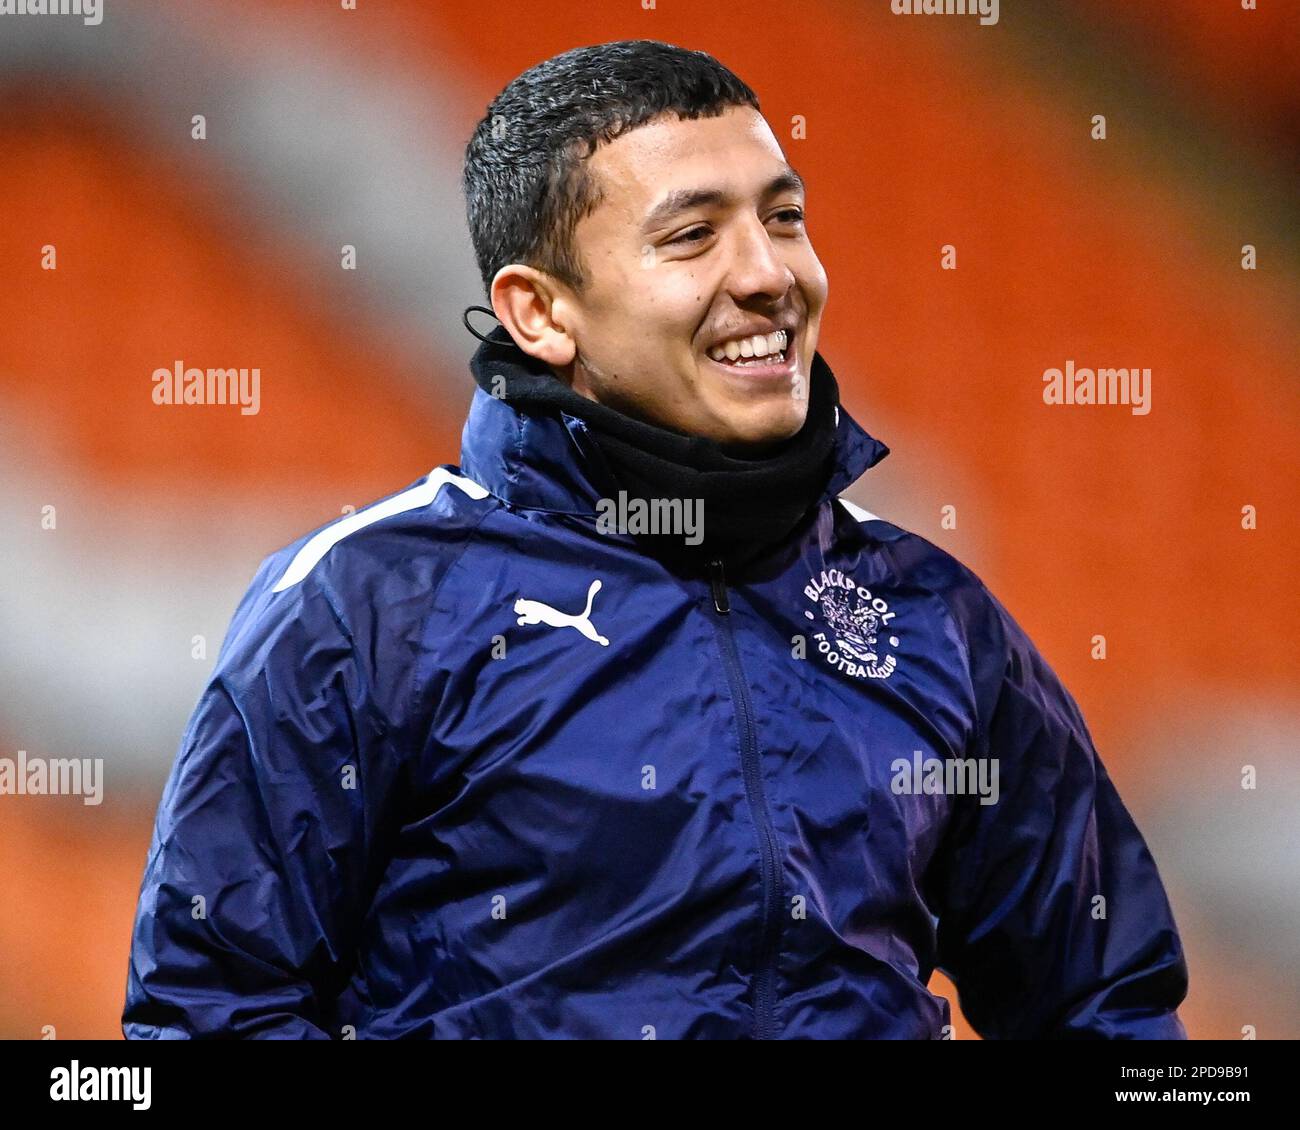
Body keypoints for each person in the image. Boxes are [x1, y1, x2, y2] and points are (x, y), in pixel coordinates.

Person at [122, 39, 1189, 1040]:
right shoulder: (364, 607)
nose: (771, 273)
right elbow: (213, 1009)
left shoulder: (931, 613)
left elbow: (1105, 998)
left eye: (783, 218)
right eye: (692, 235)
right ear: (540, 312)